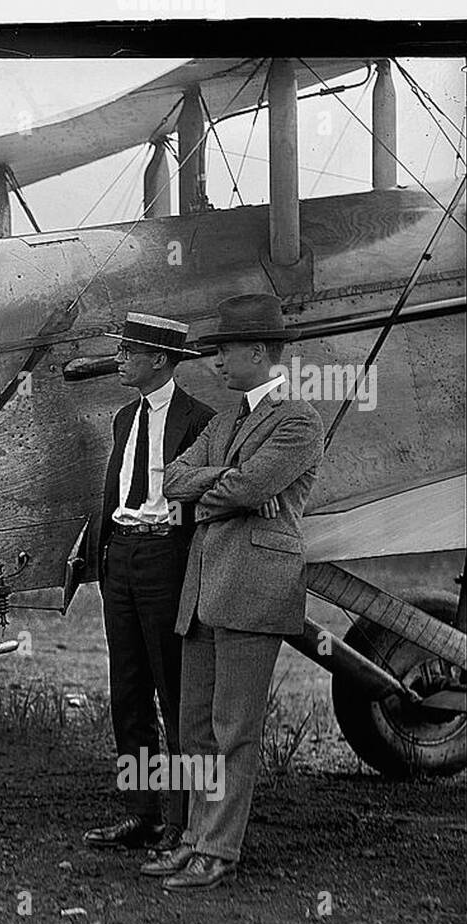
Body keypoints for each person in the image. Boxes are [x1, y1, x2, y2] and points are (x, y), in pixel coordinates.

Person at [145, 293, 324, 891]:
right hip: (203, 590)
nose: (218, 361)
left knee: (234, 728)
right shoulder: (223, 422)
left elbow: (249, 489)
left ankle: (219, 852)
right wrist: (226, 487)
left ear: (259, 352)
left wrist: (218, 490)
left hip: (254, 589)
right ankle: (195, 838)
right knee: (195, 726)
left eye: (225, 351)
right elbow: (172, 480)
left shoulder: (298, 420)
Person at [80, 313, 214, 855]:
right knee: (129, 692)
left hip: (166, 559)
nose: (118, 359)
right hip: (122, 559)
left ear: (158, 359)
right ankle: (142, 815)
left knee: (175, 691)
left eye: (128, 352)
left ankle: (185, 824)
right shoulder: (122, 419)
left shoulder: (199, 420)